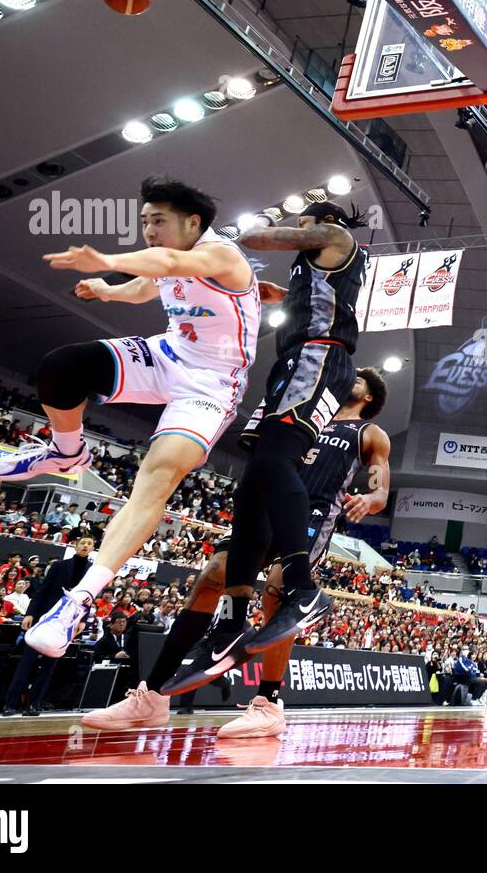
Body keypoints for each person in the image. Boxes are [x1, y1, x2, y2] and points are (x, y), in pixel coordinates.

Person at [0, 178, 259, 660]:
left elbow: (172, 264)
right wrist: (108, 290)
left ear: (193, 223)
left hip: (212, 383)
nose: (149, 230)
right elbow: (145, 288)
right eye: (144, 222)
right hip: (169, 354)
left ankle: (77, 602)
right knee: (62, 366)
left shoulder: (222, 256)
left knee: (158, 473)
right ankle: (67, 452)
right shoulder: (165, 258)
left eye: (158, 221)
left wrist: (107, 260)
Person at [82, 372, 390, 734]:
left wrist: (370, 499)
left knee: (279, 591)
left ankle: (269, 703)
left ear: (369, 396)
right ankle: (152, 696)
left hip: (312, 512)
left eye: (359, 379)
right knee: (214, 574)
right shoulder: (309, 416)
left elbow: (380, 487)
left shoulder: (368, 433)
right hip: (264, 505)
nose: (349, 377)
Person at [199, 202, 368, 671]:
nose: (298, 230)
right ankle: (231, 625)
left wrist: (276, 215)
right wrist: (279, 297)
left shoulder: (334, 238)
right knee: (252, 488)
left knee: (275, 464)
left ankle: (302, 585)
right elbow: (309, 299)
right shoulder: (314, 267)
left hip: (318, 358)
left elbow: (254, 237)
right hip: (295, 363)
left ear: (319, 222)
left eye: (303, 224)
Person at [4, 537, 94, 716]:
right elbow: (42, 590)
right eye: (82, 542)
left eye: (89, 544)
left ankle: (33, 704)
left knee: (49, 667)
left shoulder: (92, 572)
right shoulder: (60, 565)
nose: (85, 546)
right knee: (26, 663)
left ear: (93, 548)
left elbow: (89, 596)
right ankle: (10, 704)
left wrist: (83, 619)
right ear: (76, 545)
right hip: (44, 618)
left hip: (67, 623)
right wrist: (30, 613)